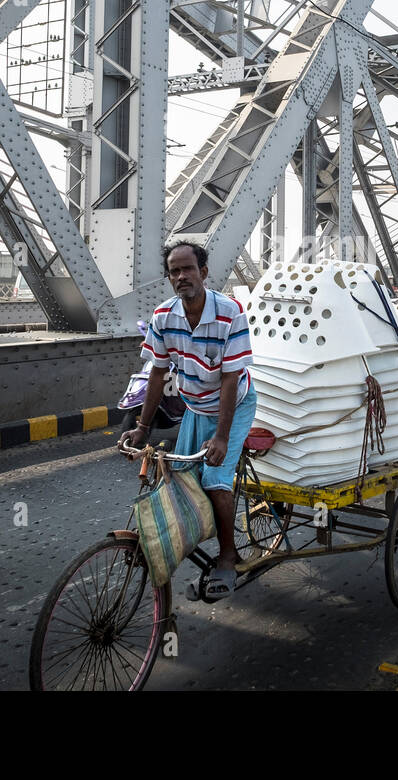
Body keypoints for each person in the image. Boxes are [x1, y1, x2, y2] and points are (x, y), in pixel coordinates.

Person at [121, 241, 255, 600]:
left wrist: (222, 438)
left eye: (188, 269)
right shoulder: (164, 316)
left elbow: (231, 378)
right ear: (169, 278)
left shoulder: (230, 312)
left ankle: (228, 556)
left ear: (204, 273)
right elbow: (157, 372)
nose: (181, 276)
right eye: (174, 271)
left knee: (214, 479)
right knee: (178, 477)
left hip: (234, 404)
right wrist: (143, 427)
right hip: (195, 405)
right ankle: (188, 539)